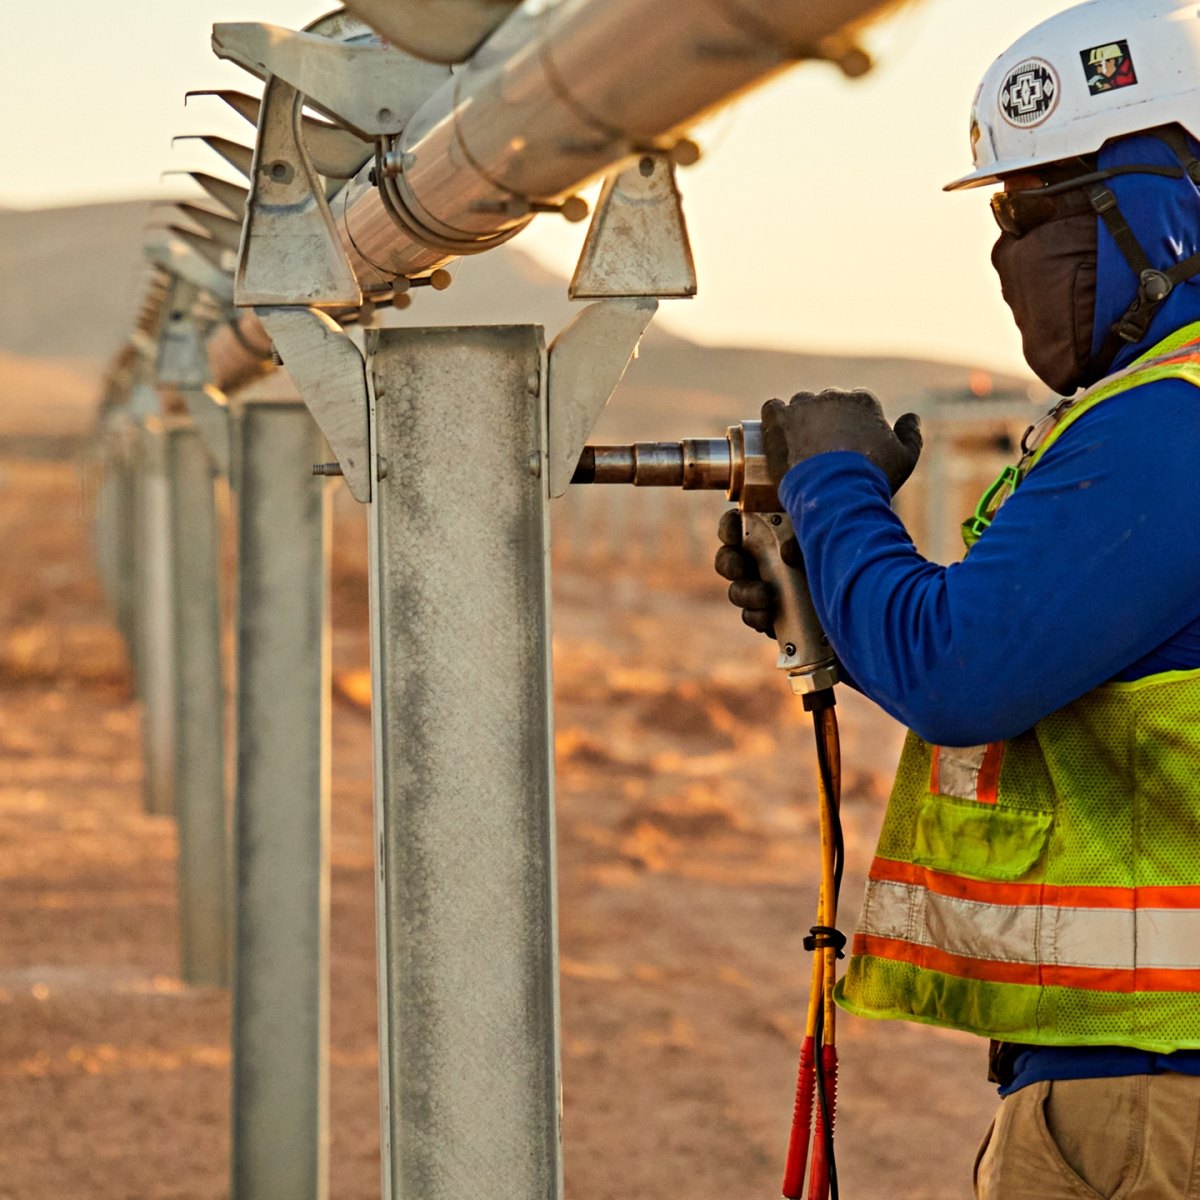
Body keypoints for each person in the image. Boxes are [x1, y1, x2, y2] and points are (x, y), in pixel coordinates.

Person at [716, 2, 1200, 1196]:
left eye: (1042, 213)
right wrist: (822, 607)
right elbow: (1040, 671)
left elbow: (961, 673)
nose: (1013, 254)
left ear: (1169, 206)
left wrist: (832, 490)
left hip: (1150, 1098)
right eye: (1003, 217)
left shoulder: (1167, 425)